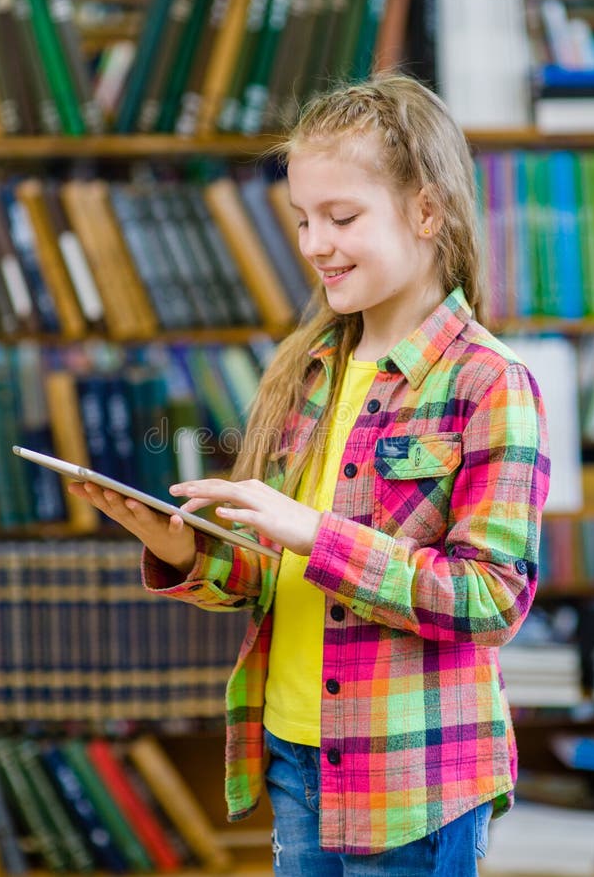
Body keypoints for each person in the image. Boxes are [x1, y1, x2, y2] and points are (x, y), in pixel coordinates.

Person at [69, 74, 550, 876]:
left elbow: (494, 600)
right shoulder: (305, 372)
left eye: (342, 218)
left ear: (427, 213)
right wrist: (183, 549)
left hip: (412, 776)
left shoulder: (489, 383)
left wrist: (318, 535)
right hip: (295, 751)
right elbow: (274, 577)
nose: (315, 244)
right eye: (301, 220)